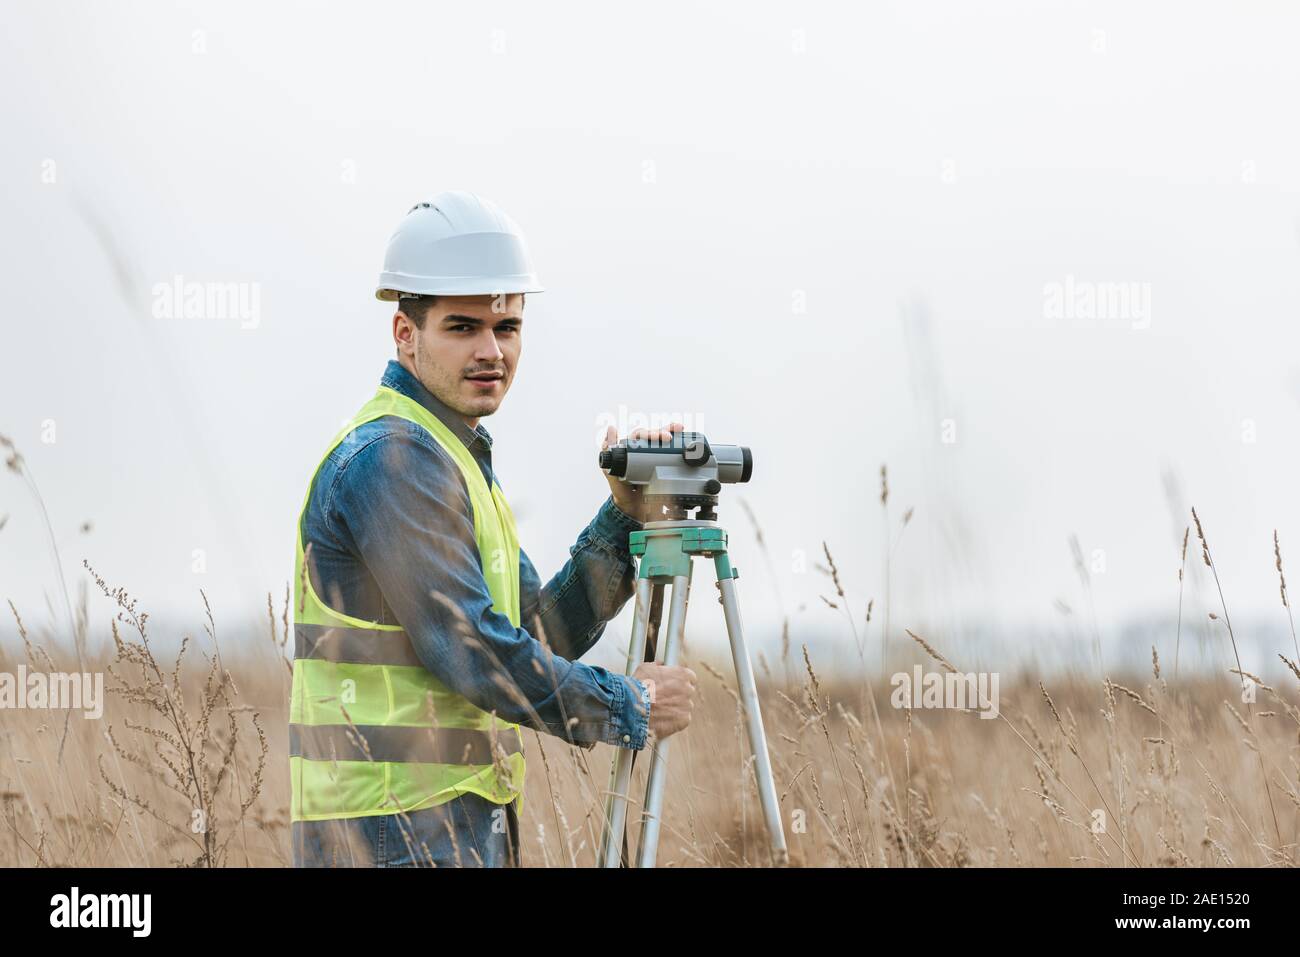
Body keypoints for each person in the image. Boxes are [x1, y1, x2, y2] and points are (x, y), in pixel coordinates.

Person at [290, 190, 698, 867]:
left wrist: (625, 516)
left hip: (451, 823)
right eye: (462, 327)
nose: (490, 351)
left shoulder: (449, 453)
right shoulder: (391, 460)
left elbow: (539, 633)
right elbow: (475, 651)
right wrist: (629, 703)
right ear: (405, 334)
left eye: (505, 328)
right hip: (389, 835)